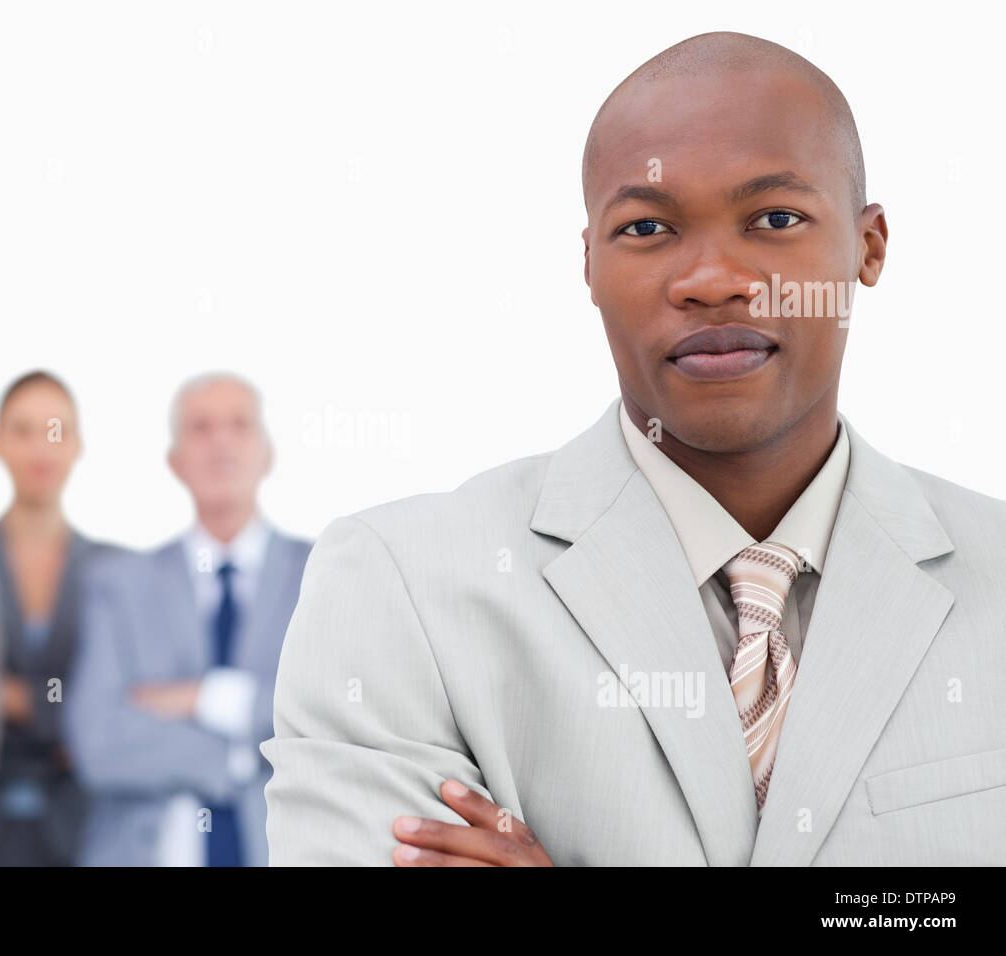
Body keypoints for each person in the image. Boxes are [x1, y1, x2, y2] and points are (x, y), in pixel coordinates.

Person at [260, 32, 1006, 866]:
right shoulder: (400, 586)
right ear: (588, 263)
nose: (713, 277)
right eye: (648, 226)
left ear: (869, 247)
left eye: (776, 218)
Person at [66, 372, 311, 866]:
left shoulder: (323, 574)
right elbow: (97, 742)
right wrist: (240, 755)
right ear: (174, 461)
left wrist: (205, 697)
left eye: (239, 425)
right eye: (200, 427)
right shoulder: (118, 585)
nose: (220, 441)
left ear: (268, 453)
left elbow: (335, 717)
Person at [0, 370, 112, 866]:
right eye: (23, 430)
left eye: (56, 429)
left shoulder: (119, 574)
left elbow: (127, 708)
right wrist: (69, 721)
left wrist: (10, 698)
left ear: (77, 444)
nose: (41, 447)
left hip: (85, 833)